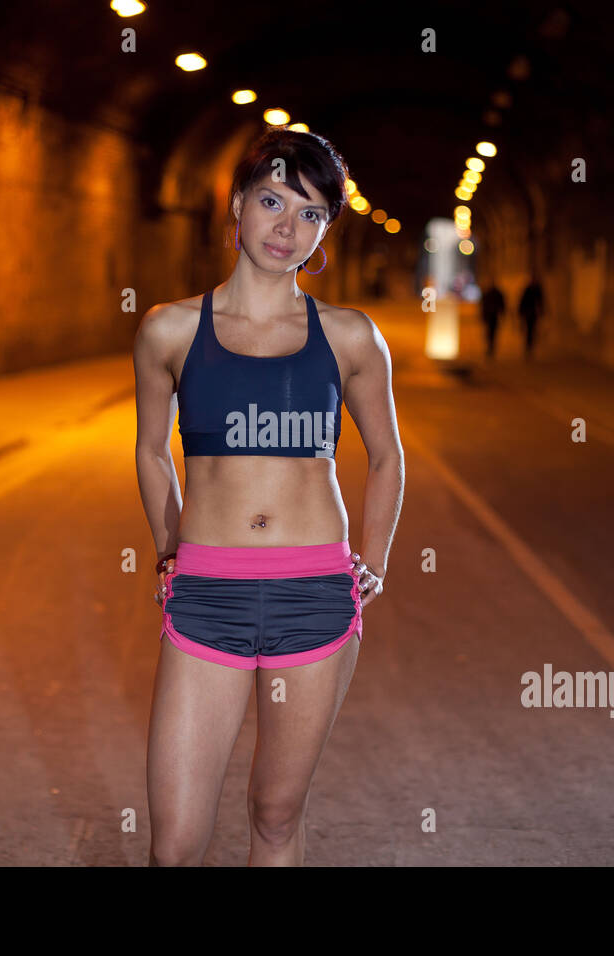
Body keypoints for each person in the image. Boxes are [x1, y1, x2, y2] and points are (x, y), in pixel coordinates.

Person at [133, 128, 404, 866]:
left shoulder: (350, 337)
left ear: (324, 234)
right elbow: (153, 451)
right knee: (175, 844)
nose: (288, 227)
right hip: (206, 596)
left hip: (314, 595)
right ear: (238, 207)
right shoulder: (169, 329)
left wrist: (371, 559)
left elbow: (386, 457)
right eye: (273, 201)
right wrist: (167, 547)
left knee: (275, 816)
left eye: (311, 214)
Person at [518, 277, 544, 360]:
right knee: (530, 330)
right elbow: (522, 302)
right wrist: (521, 313)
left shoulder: (537, 290)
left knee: (532, 330)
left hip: (533, 314)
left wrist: (542, 311)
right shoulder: (528, 290)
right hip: (528, 313)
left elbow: (541, 301)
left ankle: (530, 346)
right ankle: (529, 346)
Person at [480, 280, 506, 359]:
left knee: (493, 332)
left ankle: (491, 348)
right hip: (489, 316)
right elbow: (483, 305)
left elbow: (502, 304)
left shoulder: (496, 293)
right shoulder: (488, 293)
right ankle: (490, 347)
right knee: (489, 332)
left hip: (494, 316)